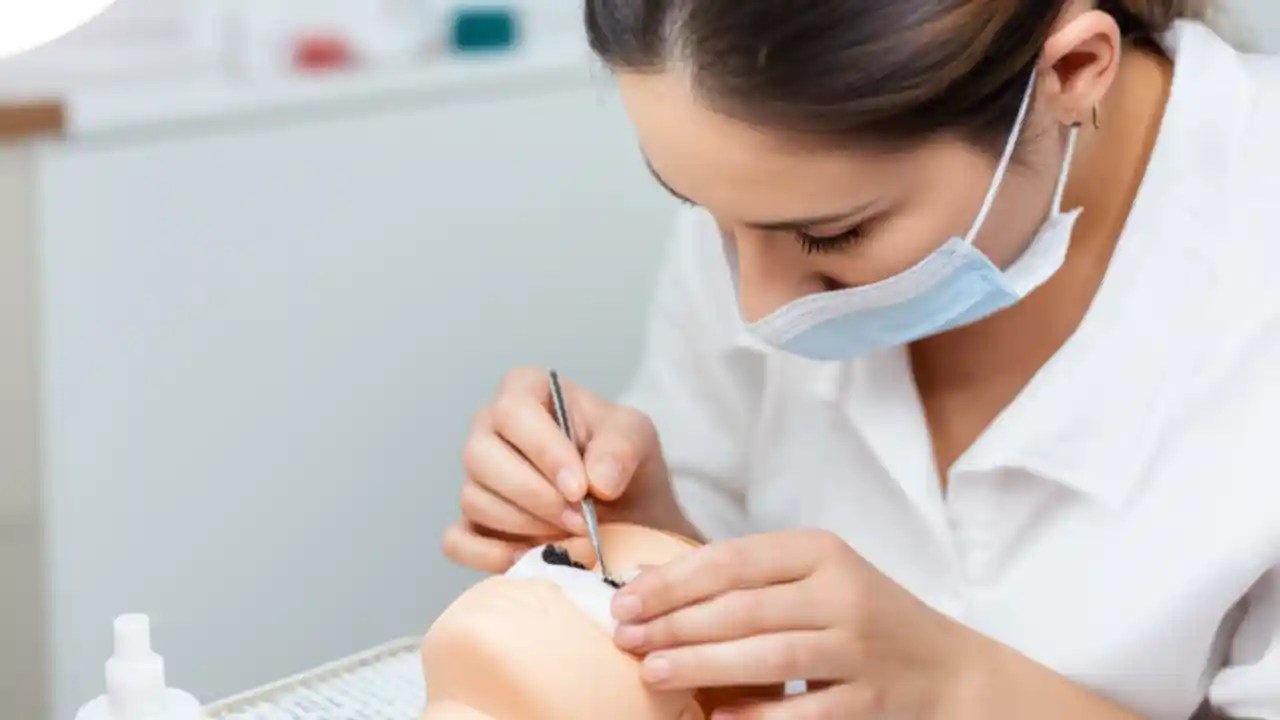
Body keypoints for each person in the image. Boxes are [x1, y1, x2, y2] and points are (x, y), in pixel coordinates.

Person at [445, 1, 1280, 718]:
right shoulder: (774, 192)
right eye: (703, 211)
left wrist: (956, 687)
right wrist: (647, 528)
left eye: (833, 236)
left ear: (1073, 72)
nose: (758, 311)